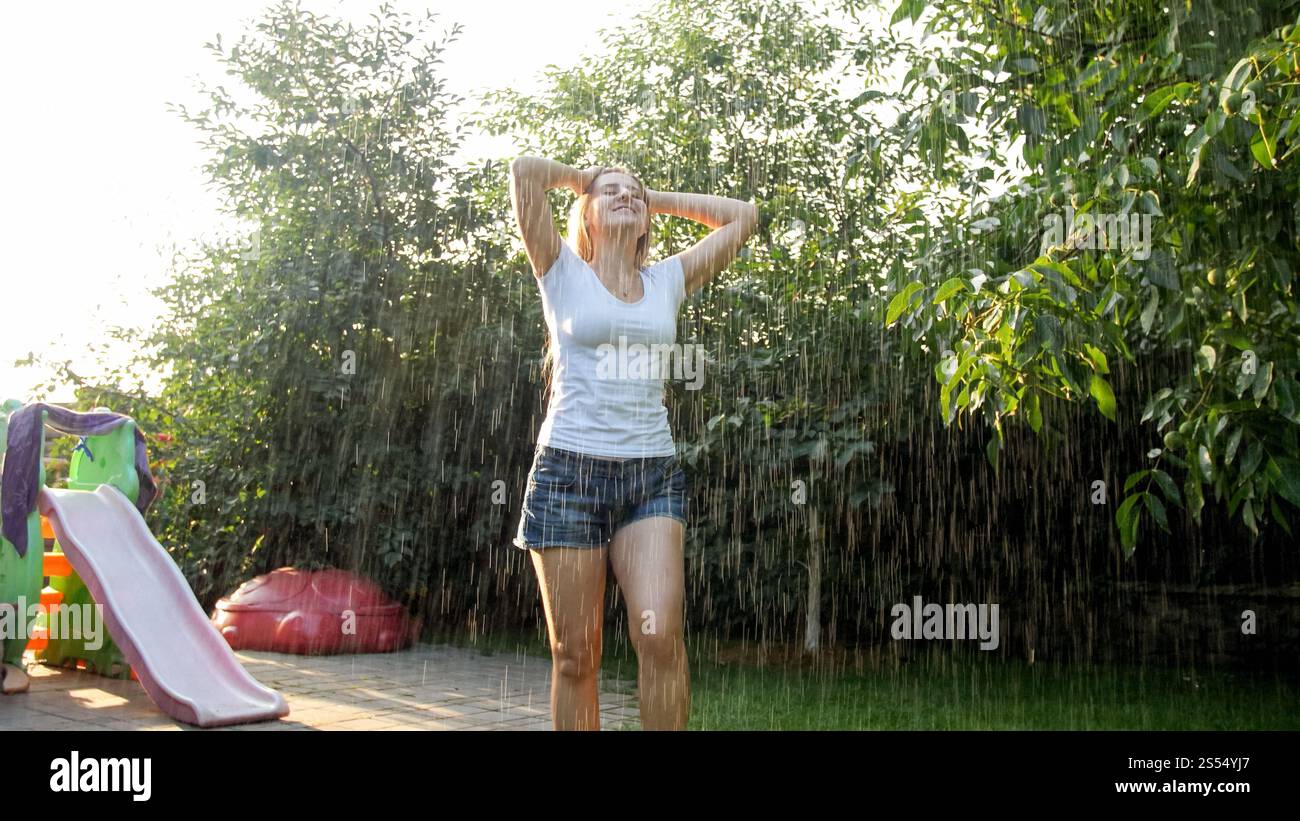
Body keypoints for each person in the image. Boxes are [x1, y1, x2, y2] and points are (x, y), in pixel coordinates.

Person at [508, 156, 758, 730]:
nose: (623, 196)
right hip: (568, 475)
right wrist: (584, 179)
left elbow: (743, 217)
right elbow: (524, 172)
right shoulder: (560, 270)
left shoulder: (667, 279)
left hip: (650, 478)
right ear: (586, 214)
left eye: (633, 195)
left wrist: (653, 195)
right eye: (609, 193)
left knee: (662, 636)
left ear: (646, 220)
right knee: (576, 656)